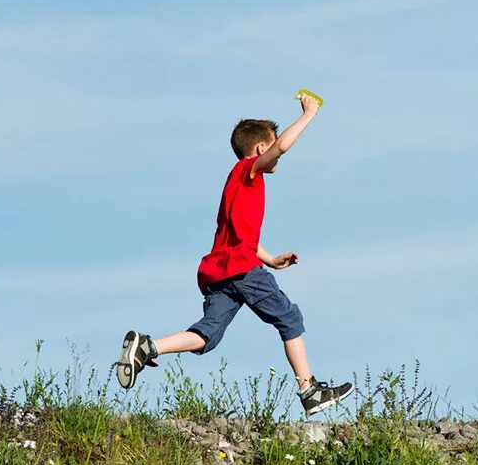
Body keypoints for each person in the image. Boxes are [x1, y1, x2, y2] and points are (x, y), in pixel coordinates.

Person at [114, 91, 354, 415]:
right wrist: (308, 115)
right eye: (271, 149)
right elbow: (281, 145)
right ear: (259, 150)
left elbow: (242, 237)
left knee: (208, 334)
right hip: (241, 271)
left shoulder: (236, 183)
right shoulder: (248, 172)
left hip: (221, 272)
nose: (278, 155)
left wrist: (270, 260)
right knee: (290, 317)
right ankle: (309, 389)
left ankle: (148, 346)